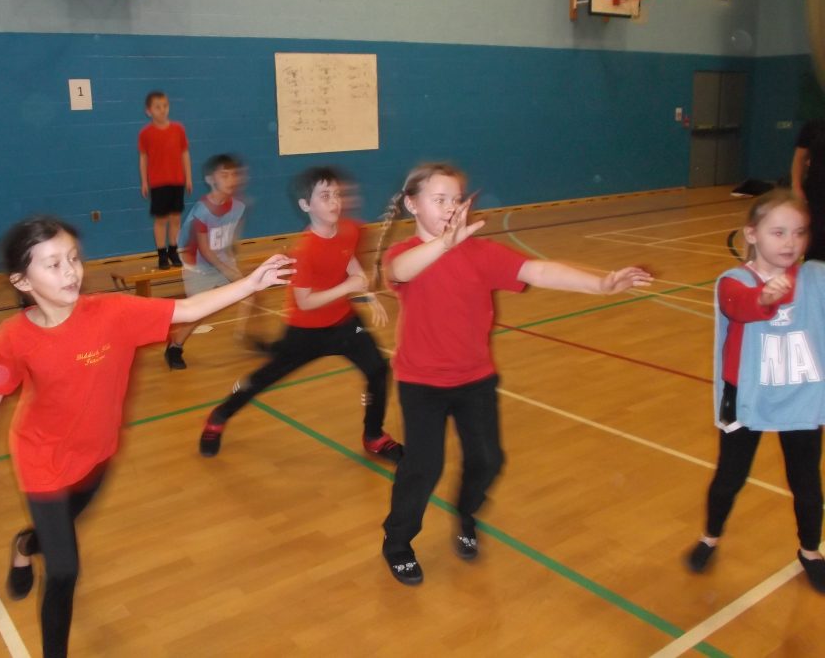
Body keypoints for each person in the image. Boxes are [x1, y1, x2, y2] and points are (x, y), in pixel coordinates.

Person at [0, 216, 292, 658]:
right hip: (41, 459)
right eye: (53, 264)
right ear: (22, 280)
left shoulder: (112, 312)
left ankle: (24, 544)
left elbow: (187, 310)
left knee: (58, 533)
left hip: (97, 455)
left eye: (73, 258)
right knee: (64, 570)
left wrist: (251, 283)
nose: (70, 271)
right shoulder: (14, 336)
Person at [375, 162, 652, 585]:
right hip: (422, 382)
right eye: (439, 199)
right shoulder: (403, 254)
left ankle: (466, 515)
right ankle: (397, 542)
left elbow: (536, 270)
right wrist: (445, 244)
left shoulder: (480, 253)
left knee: (488, 460)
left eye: (455, 199)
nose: (450, 208)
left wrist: (600, 284)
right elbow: (399, 272)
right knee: (423, 468)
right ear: (412, 205)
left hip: (475, 379)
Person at [198, 166, 403, 463]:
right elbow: (306, 302)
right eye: (325, 196)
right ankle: (219, 416)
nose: (335, 201)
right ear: (306, 205)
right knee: (264, 378)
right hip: (306, 332)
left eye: (336, 194)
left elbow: (349, 262)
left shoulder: (347, 230)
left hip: (346, 325)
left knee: (378, 370)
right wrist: (348, 287)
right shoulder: (305, 250)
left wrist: (366, 294)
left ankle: (374, 436)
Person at [685, 189, 825, 592]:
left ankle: (810, 551)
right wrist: (765, 297)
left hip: (802, 395)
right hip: (746, 396)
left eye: (799, 232)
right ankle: (710, 536)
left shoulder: (815, 277)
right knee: (730, 477)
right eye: (778, 232)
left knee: (807, 483)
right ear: (751, 234)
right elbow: (740, 305)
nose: (790, 242)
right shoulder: (733, 282)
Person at [164, 153, 247, 370]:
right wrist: (228, 271)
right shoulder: (202, 210)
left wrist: (232, 260)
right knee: (198, 313)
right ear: (211, 180)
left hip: (221, 260)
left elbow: (231, 237)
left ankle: (251, 337)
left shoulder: (238, 207)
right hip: (199, 266)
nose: (231, 179)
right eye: (224, 175)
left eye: (234, 175)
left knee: (251, 291)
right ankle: (174, 346)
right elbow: (205, 249)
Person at [138, 90, 192, 269]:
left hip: (177, 181)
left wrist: (188, 177)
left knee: (176, 218)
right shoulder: (146, 133)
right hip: (158, 183)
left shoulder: (178, 129)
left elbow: (185, 153)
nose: (162, 110)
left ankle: (173, 250)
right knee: (161, 220)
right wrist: (144, 181)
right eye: (157, 107)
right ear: (149, 111)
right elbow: (143, 158)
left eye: (165, 106)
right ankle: (162, 254)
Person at [790, 118, 825, 261]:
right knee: (816, 238)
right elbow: (799, 158)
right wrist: (796, 186)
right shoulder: (813, 127)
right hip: (817, 193)